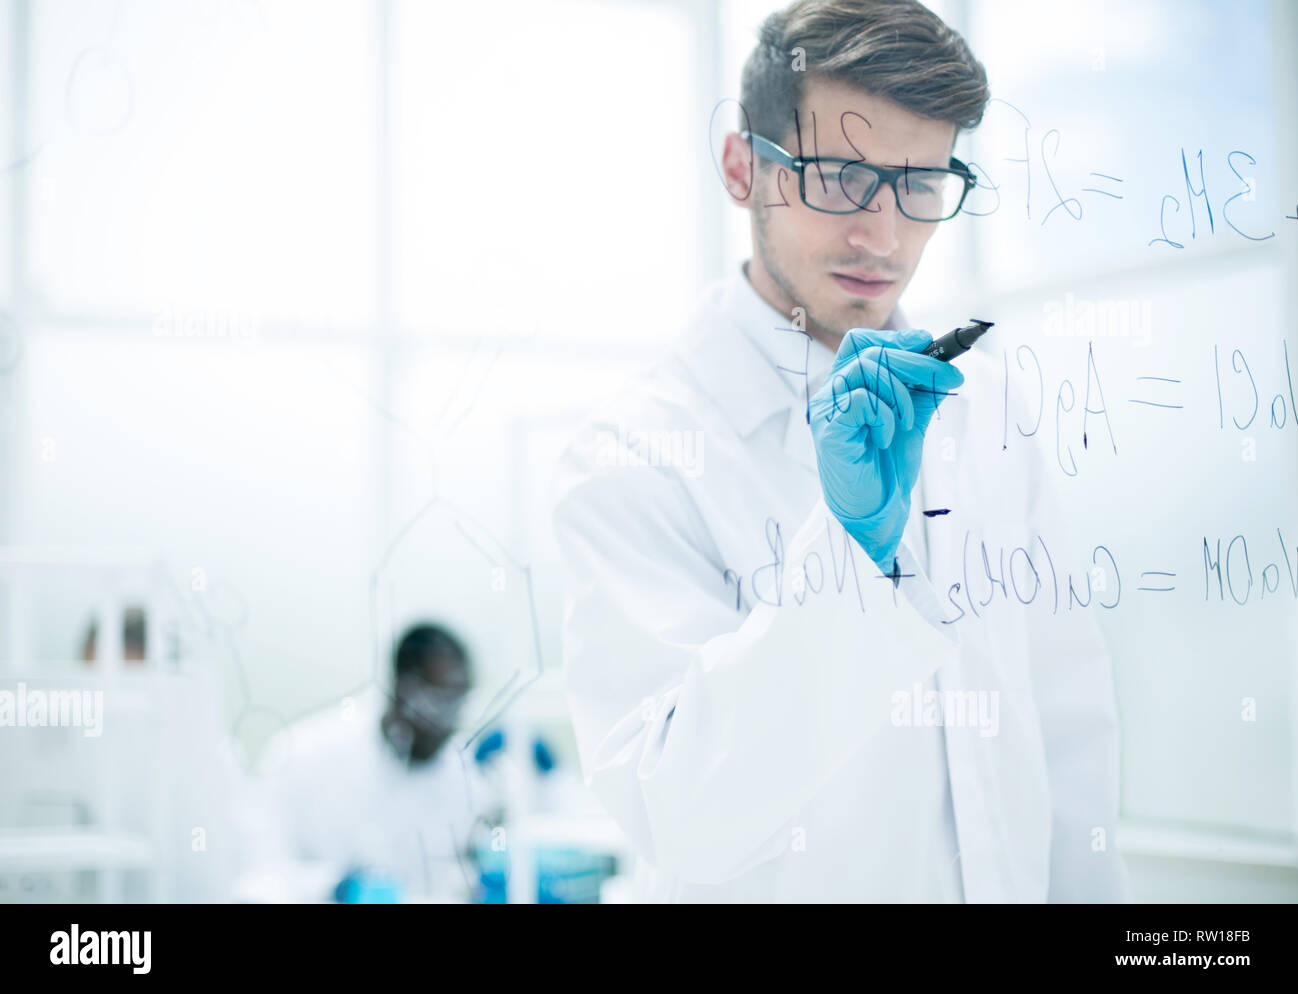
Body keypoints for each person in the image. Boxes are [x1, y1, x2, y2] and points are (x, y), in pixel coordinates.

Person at [551, 0, 1129, 902]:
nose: (883, 236)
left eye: (920, 182)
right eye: (839, 177)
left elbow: (1067, 738)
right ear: (743, 167)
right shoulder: (631, 458)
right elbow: (674, 814)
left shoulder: (988, 416)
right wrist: (847, 557)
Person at [252, 624, 495, 901]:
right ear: (402, 688)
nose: (449, 723)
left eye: (458, 701)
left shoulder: (460, 775)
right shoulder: (303, 755)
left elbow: (466, 875)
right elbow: (260, 873)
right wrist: (332, 886)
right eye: (439, 702)